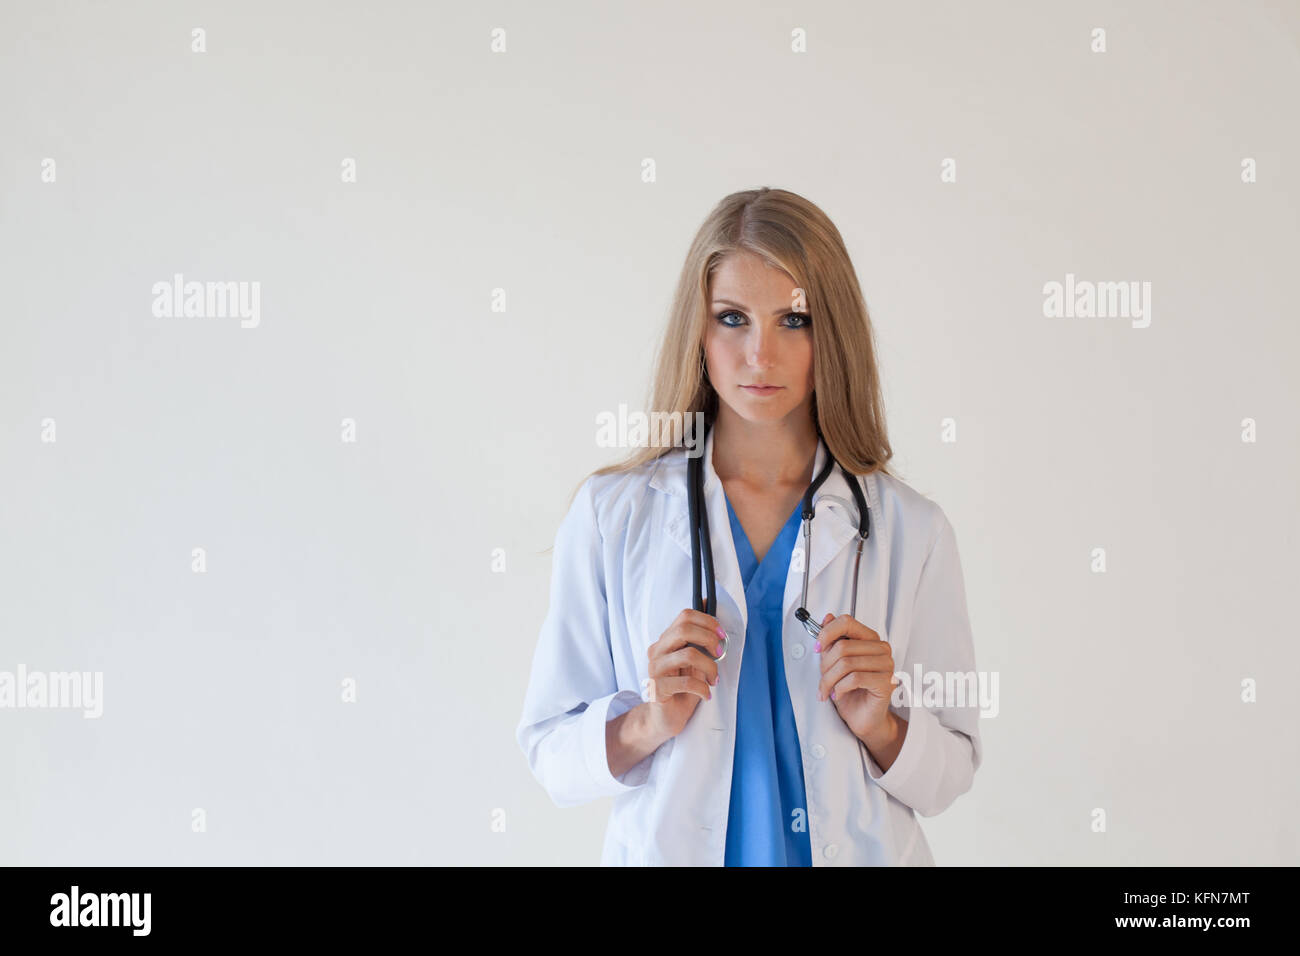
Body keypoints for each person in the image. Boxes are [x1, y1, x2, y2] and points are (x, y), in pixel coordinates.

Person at [516, 187, 982, 866]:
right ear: (697, 333)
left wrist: (882, 726)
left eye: (793, 321)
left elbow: (953, 766)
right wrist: (647, 722)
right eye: (732, 318)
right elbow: (550, 751)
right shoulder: (614, 515)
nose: (760, 355)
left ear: (834, 334)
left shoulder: (910, 529)